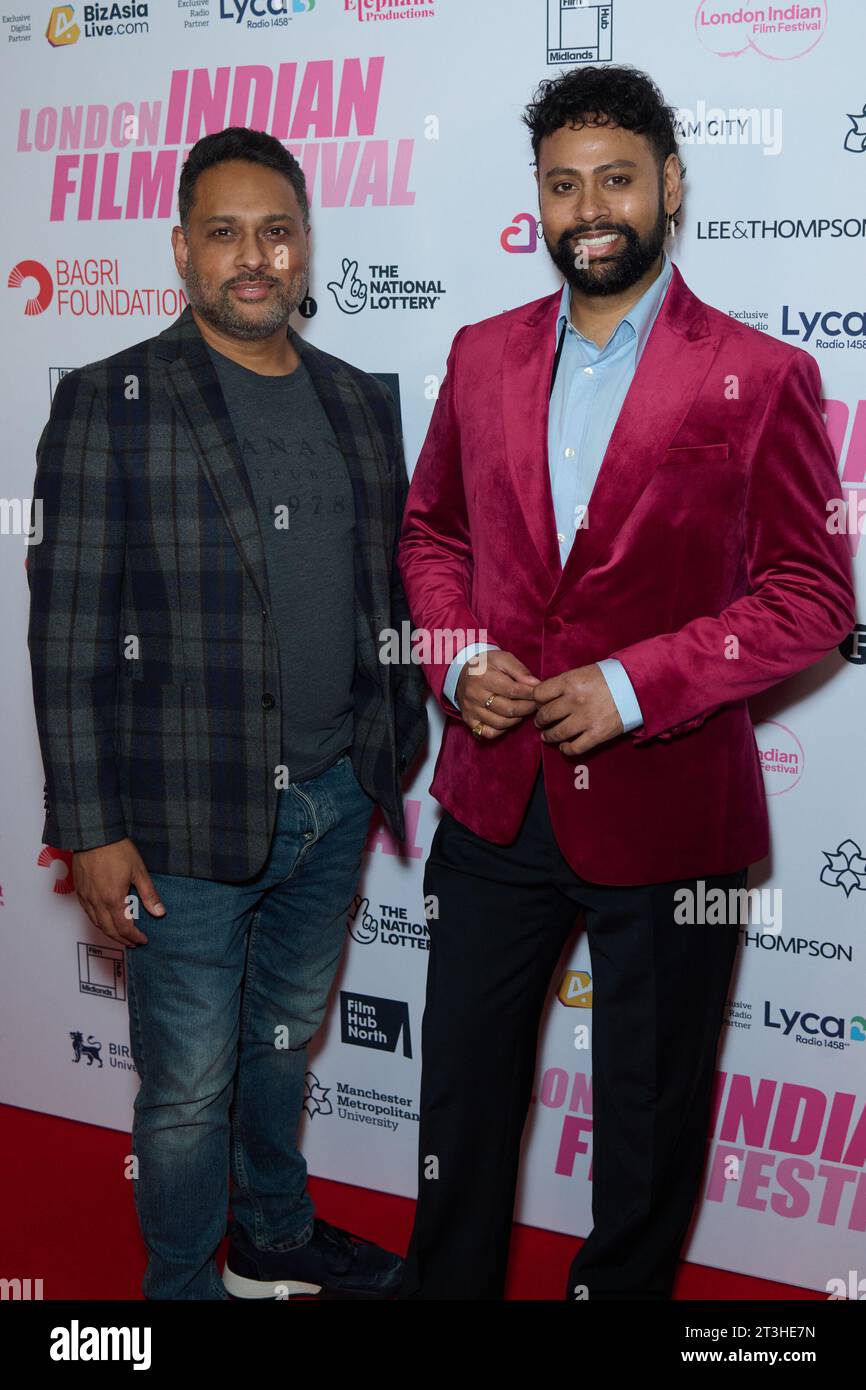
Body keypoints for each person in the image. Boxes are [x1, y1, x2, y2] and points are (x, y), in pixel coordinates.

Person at [396, 64, 855, 1300]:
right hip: (494, 801)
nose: (588, 207)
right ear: (535, 202)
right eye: (561, 185)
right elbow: (429, 535)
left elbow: (814, 597)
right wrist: (453, 658)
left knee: (644, 1138)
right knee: (460, 1104)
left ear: (668, 187)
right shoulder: (480, 355)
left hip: (667, 810)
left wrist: (633, 684)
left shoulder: (760, 377)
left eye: (615, 179)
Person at [27, 126, 427, 1301]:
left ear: (304, 247)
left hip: (336, 796)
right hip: (179, 820)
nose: (253, 256)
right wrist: (87, 827)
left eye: (276, 230)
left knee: (276, 1042)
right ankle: (179, 1286)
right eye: (224, 233)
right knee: (187, 1080)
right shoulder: (113, 401)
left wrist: (386, 743)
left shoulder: (360, 400)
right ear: (182, 251)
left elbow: (383, 592)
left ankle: (272, 1232)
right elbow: (66, 635)